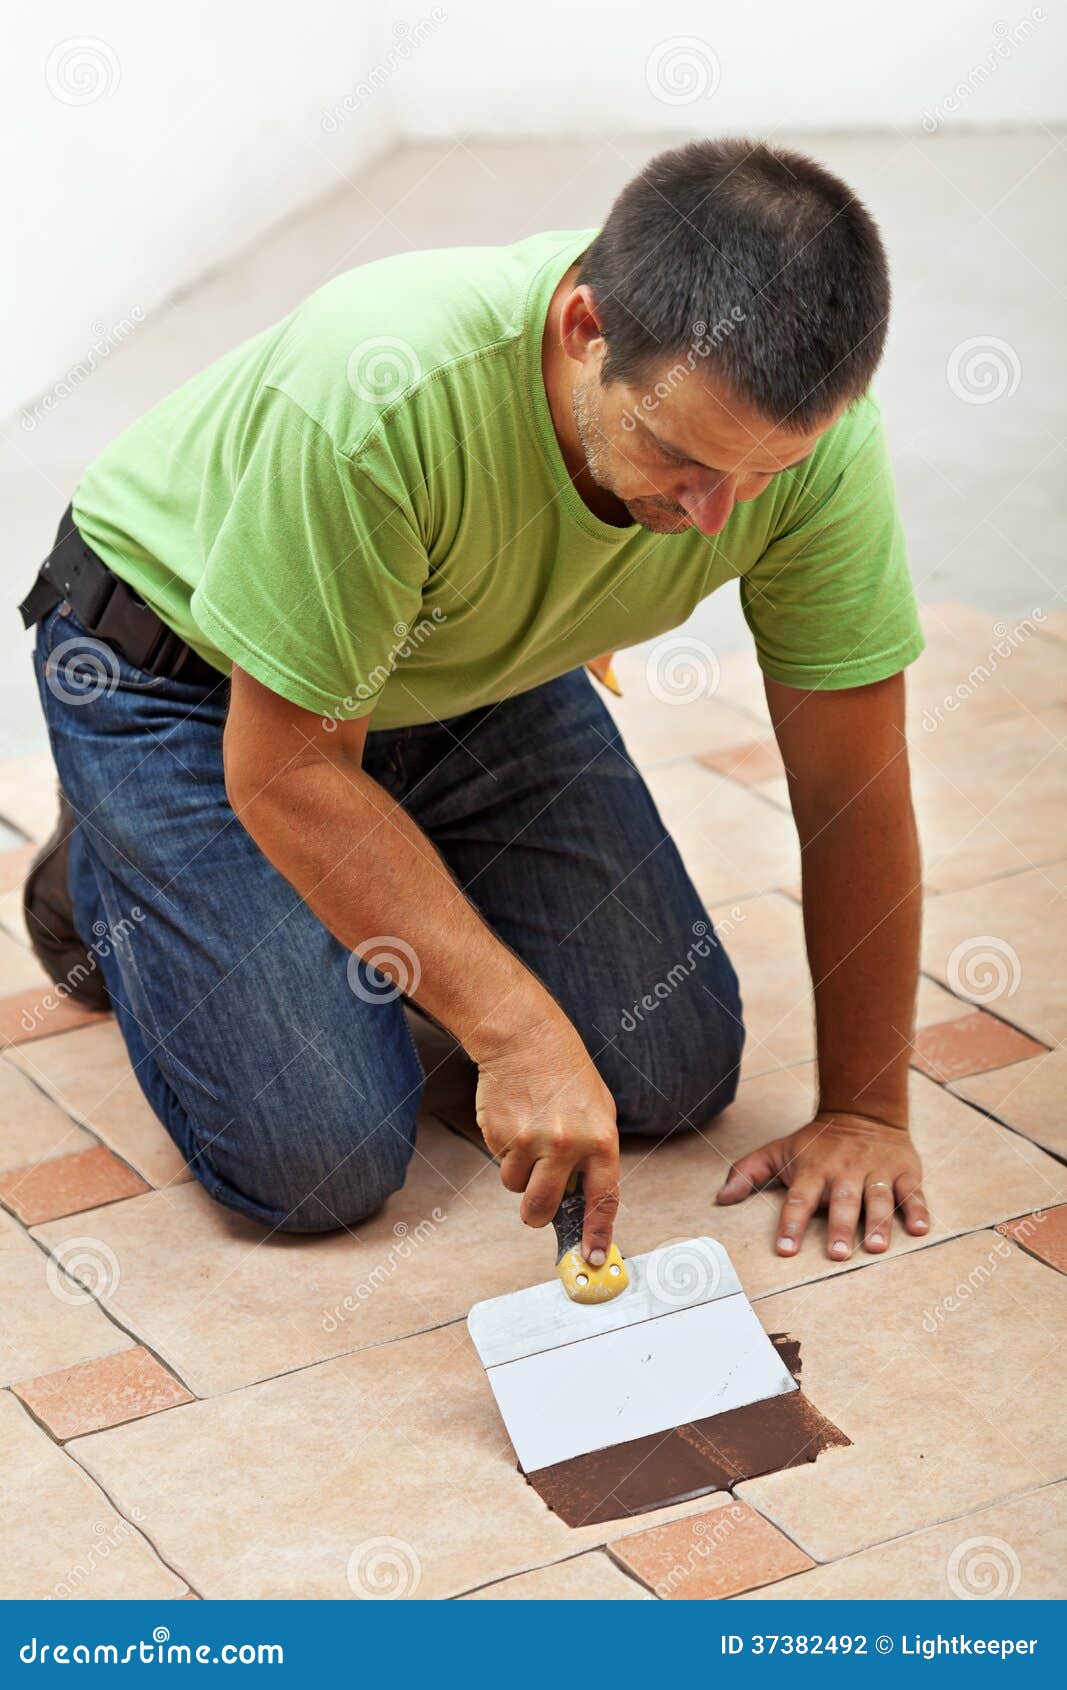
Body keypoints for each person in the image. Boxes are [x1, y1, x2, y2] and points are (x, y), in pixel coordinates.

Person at [21, 137, 930, 1270]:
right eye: (677, 456)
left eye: (759, 476)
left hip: (462, 674)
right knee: (322, 1156)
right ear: (583, 331)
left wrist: (865, 1112)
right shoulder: (378, 391)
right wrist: (512, 1028)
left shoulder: (809, 451)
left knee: (666, 1069)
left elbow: (850, 785)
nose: (717, 515)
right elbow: (288, 770)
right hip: (189, 682)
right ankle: (106, 865)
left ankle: (339, 863)